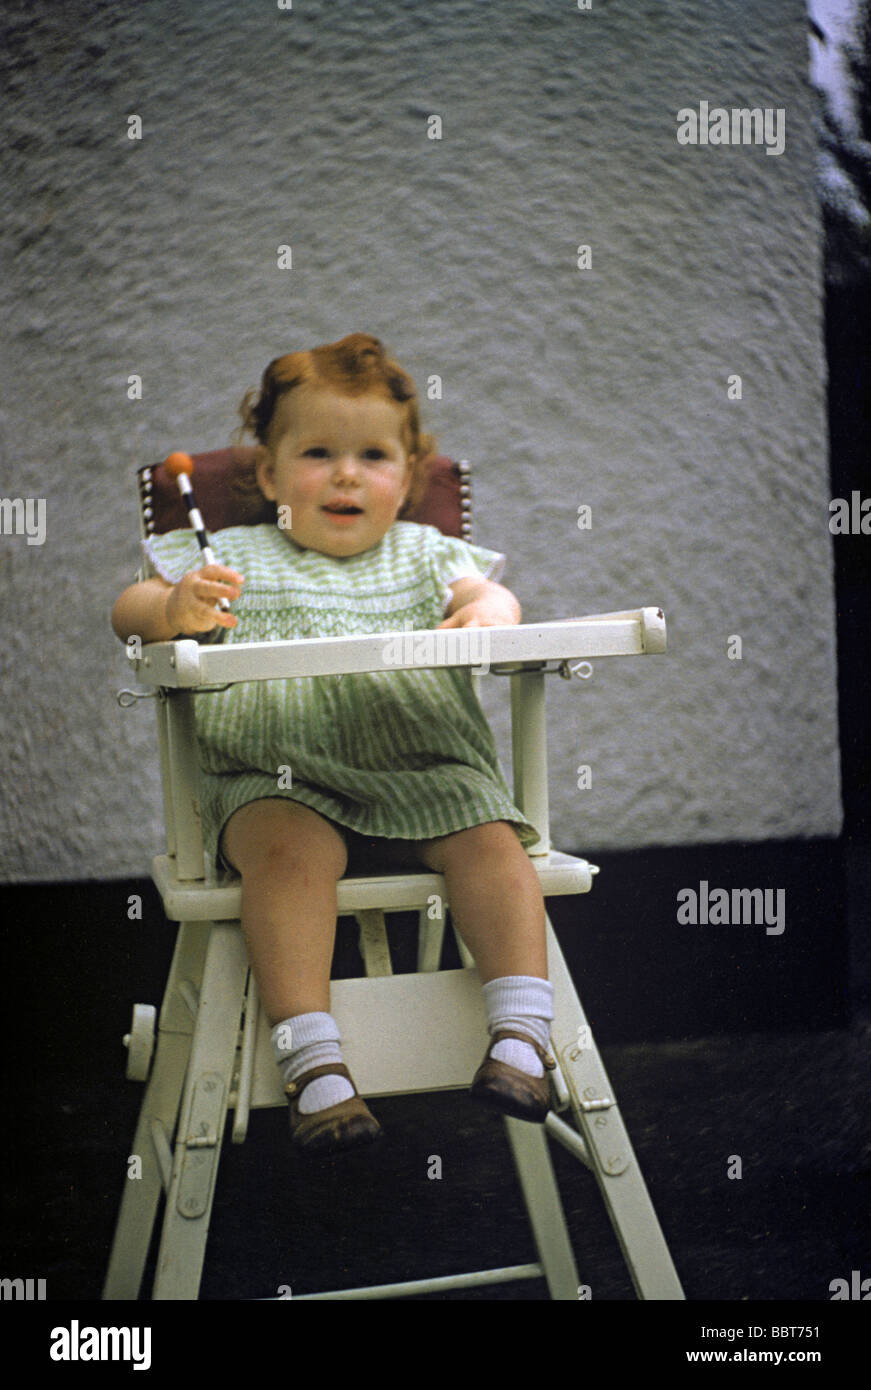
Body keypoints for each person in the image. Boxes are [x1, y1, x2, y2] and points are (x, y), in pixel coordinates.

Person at [111, 332, 556, 1155]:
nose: (347, 474)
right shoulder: (227, 558)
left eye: (373, 456)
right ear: (271, 477)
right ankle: (312, 1057)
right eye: (318, 453)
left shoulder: (428, 555)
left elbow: (486, 594)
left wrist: (491, 616)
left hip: (421, 766)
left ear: (408, 479)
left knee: (492, 839)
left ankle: (522, 1034)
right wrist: (173, 610)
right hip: (277, 775)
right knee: (284, 854)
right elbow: (130, 608)